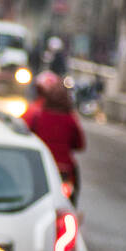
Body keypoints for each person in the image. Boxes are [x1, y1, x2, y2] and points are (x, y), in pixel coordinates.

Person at [23, 71, 86, 200]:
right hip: (65, 168)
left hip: (41, 165)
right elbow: (80, 145)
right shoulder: (71, 119)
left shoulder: (36, 115)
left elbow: (25, 135)